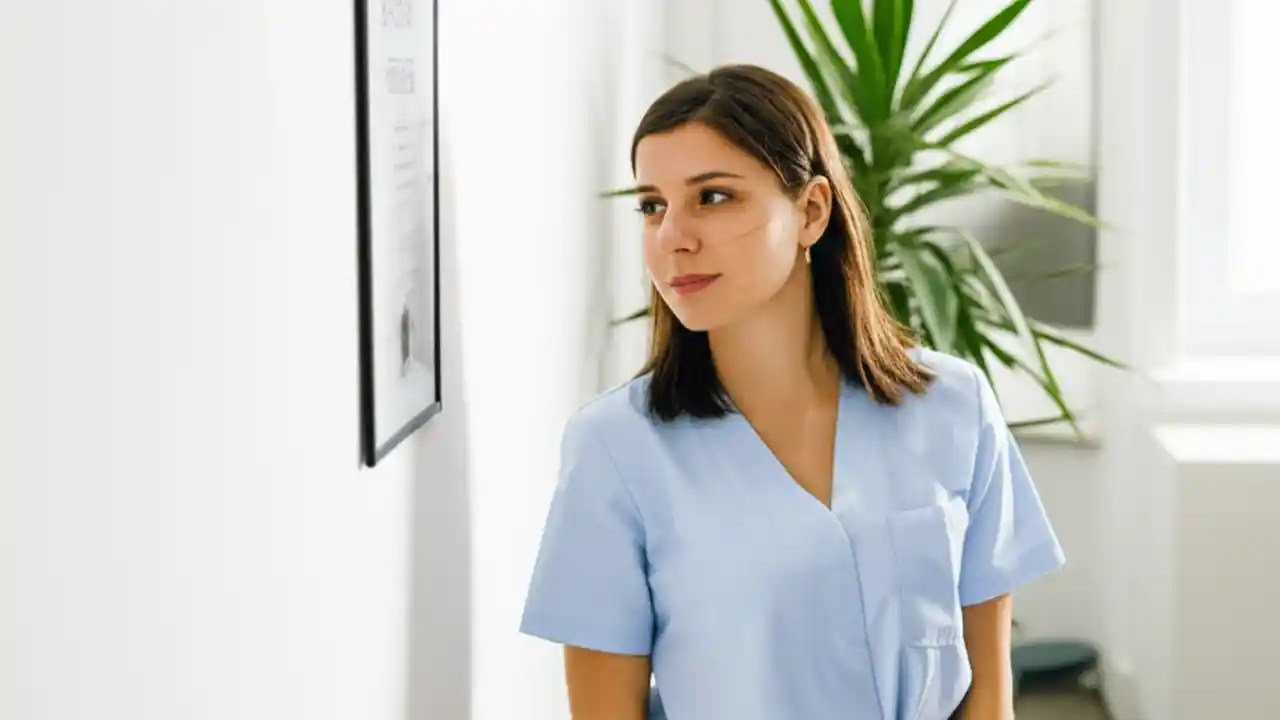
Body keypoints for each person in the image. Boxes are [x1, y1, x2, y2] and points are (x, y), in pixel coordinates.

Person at [519, 64, 1066, 720]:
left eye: (713, 197)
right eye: (652, 206)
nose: (672, 238)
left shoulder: (954, 405)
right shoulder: (615, 449)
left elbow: (987, 697)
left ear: (810, 212)